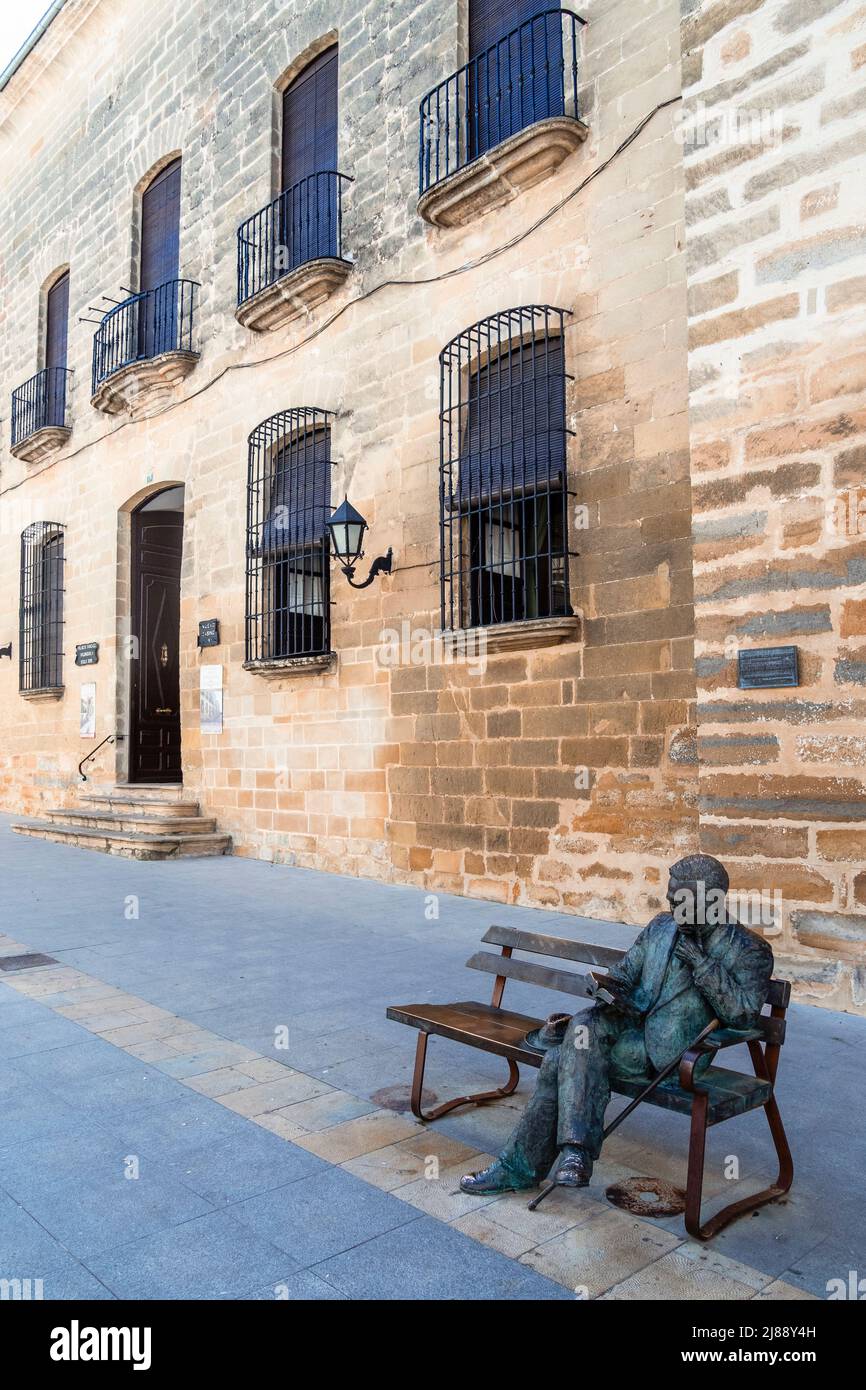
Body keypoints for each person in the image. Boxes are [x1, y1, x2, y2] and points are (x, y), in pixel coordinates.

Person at [460, 854, 774, 1194]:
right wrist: (607, 987)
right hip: (626, 1024)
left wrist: (703, 965)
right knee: (583, 1026)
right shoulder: (661, 927)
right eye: (670, 898)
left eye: (680, 900)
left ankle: (525, 1167)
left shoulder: (748, 950)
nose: (671, 905)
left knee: (559, 1058)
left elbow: (743, 1016)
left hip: (673, 1054)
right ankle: (570, 1155)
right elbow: (625, 973)